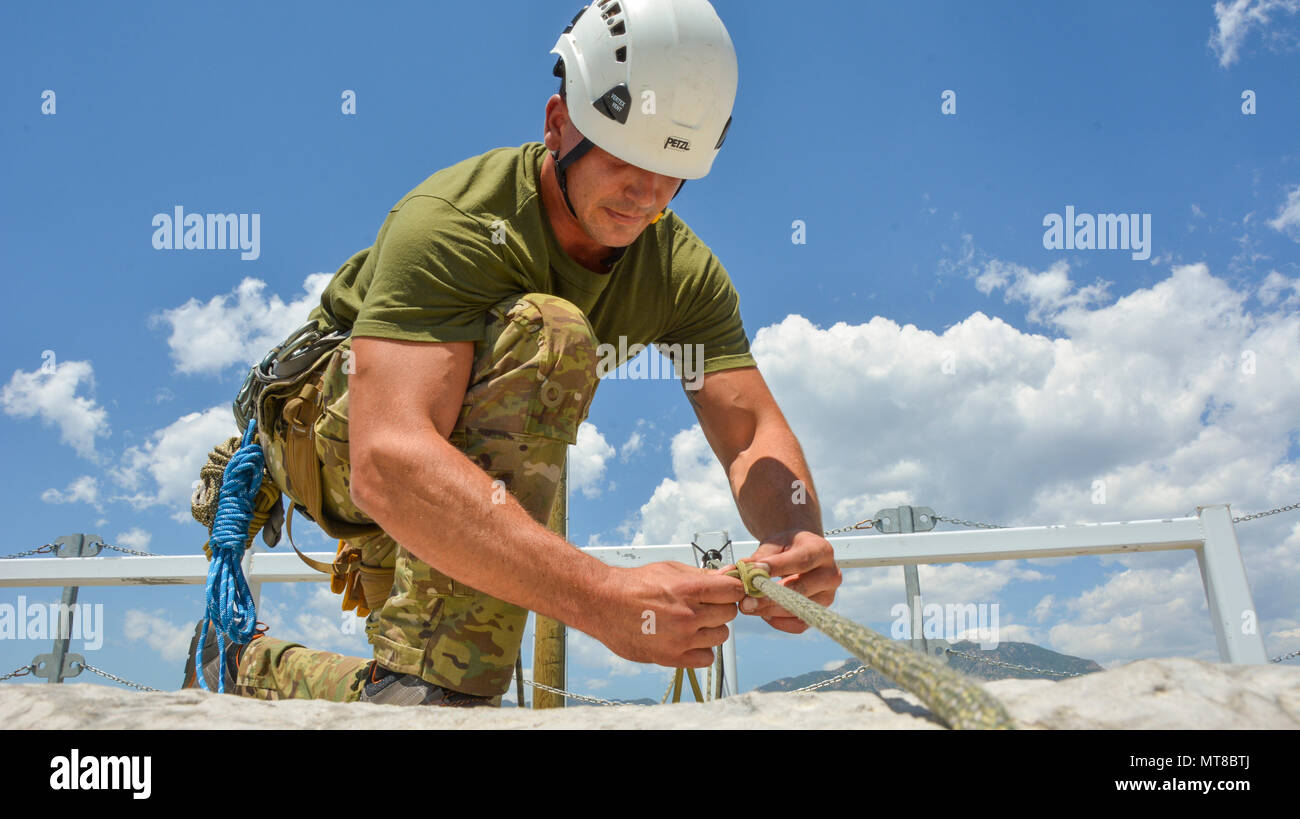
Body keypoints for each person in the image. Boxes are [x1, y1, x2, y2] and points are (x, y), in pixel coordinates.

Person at [183, 0, 842, 707]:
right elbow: (387, 457)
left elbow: (749, 430)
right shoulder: (454, 222)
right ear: (558, 125)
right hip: (331, 436)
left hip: (437, 460)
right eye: (623, 159)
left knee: (428, 700)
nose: (646, 195)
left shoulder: (681, 272)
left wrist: (794, 532)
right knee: (552, 336)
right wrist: (604, 598)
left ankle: (236, 665)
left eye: (672, 170)